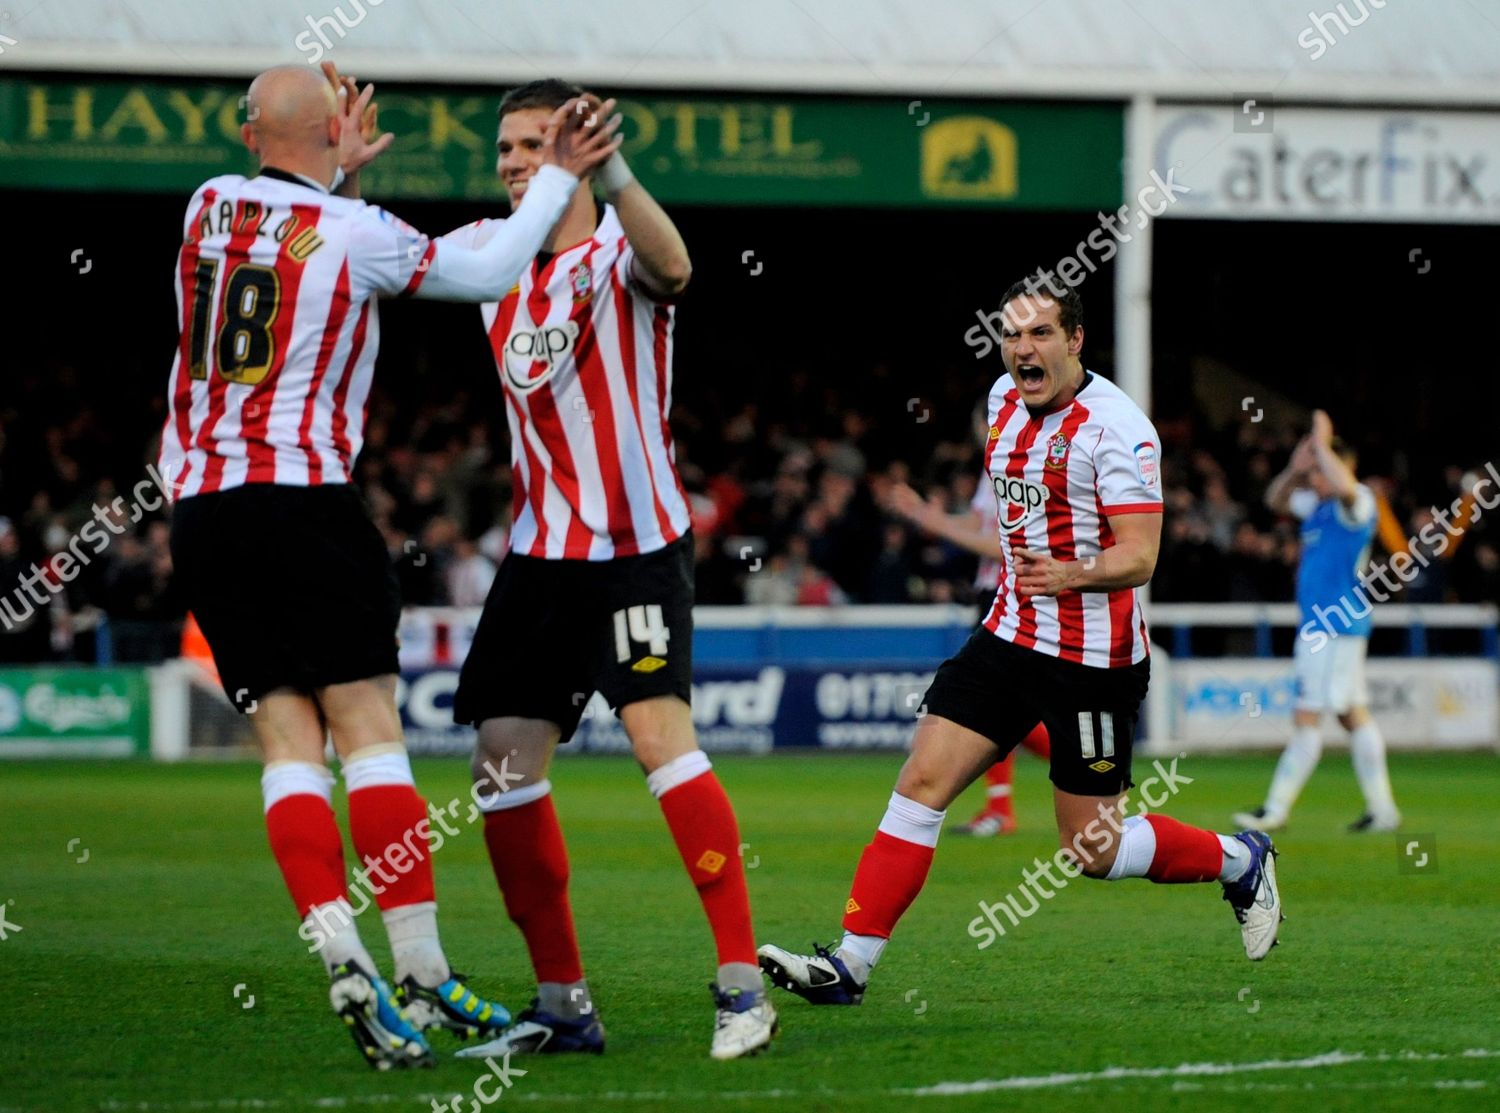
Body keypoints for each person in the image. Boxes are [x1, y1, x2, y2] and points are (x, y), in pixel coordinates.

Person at [160, 63, 619, 1069]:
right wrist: (558, 172)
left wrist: (335, 170)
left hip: (201, 510)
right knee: (369, 733)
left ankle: (345, 959)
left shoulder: (205, 206)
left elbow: (285, 229)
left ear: (248, 137)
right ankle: (419, 966)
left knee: (288, 744)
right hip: (303, 501)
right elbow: (490, 269)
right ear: (335, 131)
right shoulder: (356, 232)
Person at [758, 280, 1283, 1008]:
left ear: (1075, 340)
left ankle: (1238, 860)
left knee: (1093, 849)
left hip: (1093, 662)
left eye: (1040, 333)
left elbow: (1141, 555)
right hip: (1009, 635)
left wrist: (1071, 572)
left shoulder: (1119, 429)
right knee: (922, 781)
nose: (1022, 348)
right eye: (1011, 334)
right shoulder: (1002, 401)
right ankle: (850, 964)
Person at [439, 80, 776, 1061]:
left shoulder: (621, 249)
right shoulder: (489, 256)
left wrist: (616, 173)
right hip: (540, 554)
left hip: (635, 549)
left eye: (533, 145)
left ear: (579, 155)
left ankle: (742, 986)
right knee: (501, 762)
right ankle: (563, 1004)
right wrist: (333, 177)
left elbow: (677, 267)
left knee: (659, 742)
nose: (513, 163)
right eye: (505, 148)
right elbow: (380, 262)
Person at [883, 408, 1051, 837]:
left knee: (994, 704)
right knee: (1005, 707)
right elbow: (978, 523)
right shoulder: (994, 466)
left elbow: (1004, 546)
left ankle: (1017, 800)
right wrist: (925, 515)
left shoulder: (1022, 469)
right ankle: (1021, 797)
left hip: (1010, 593)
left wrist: (936, 523)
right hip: (992, 594)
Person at [1234, 412, 1400, 833]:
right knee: (1350, 714)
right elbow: (1274, 500)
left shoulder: (1357, 502)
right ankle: (1382, 809)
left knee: (1308, 715)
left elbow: (1344, 487)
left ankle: (1275, 809)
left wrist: (1322, 444)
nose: (1313, 480)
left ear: (1339, 466)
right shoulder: (1319, 507)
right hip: (1325, 626)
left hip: (1334, 627)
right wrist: (1296, 468)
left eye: (1319, 471)